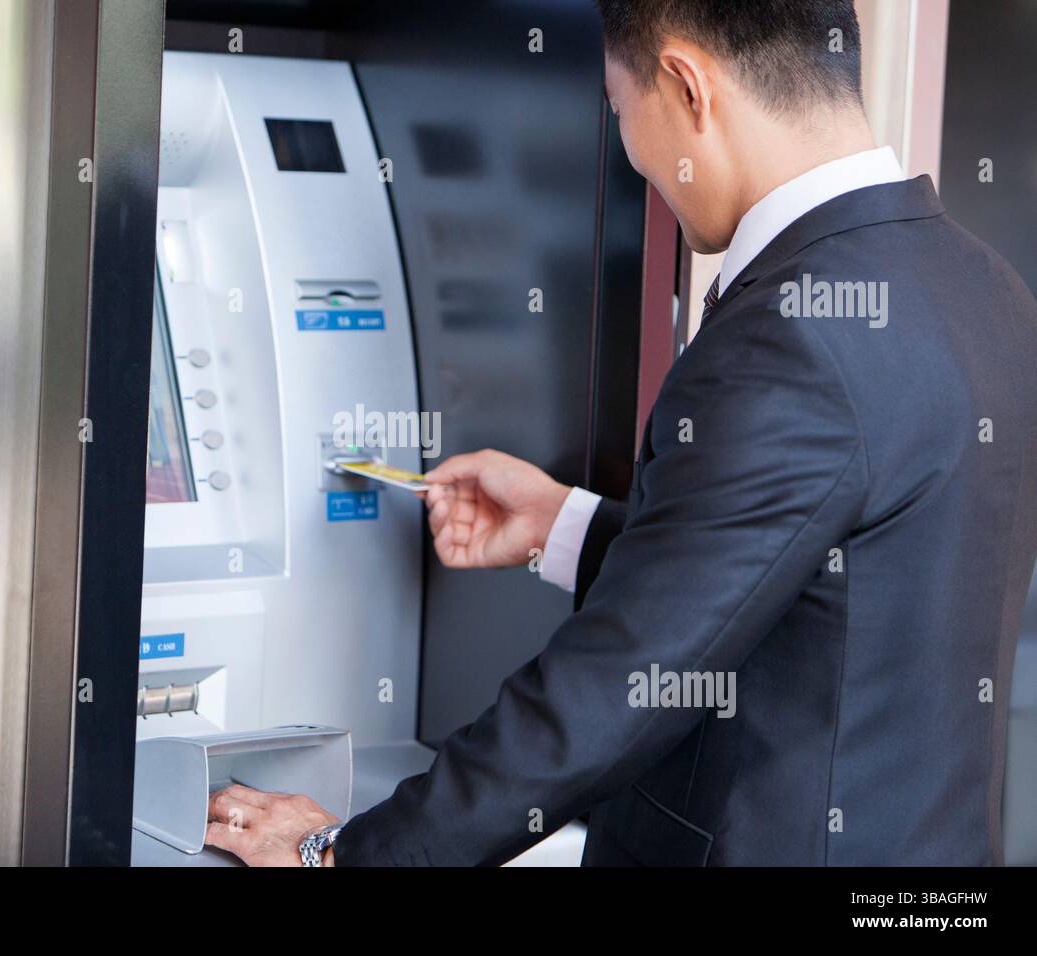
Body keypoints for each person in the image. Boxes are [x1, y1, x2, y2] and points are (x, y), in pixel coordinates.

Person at [203, 0, 1037, 866]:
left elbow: (611, 691)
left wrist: (343, 852)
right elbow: (822, 596)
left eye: (618, 105)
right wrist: (564, 526)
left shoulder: (789, 335)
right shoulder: (986, 292)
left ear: (686, 84)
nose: (634, 155)